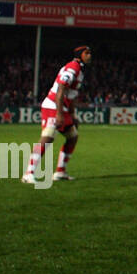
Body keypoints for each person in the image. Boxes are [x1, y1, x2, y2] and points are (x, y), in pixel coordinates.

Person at [23, 45, 91, 183]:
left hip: (61, 108)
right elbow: (60, 90)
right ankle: (28, 173)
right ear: (80, 55)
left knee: (72, 137)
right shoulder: (73, 67)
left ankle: (60, 172)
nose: (90, 55)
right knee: (47, 137)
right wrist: (59, 114)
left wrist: (72, 115)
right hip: (53, 106)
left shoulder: (80, 70)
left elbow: (70, 96)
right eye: (87, 53)